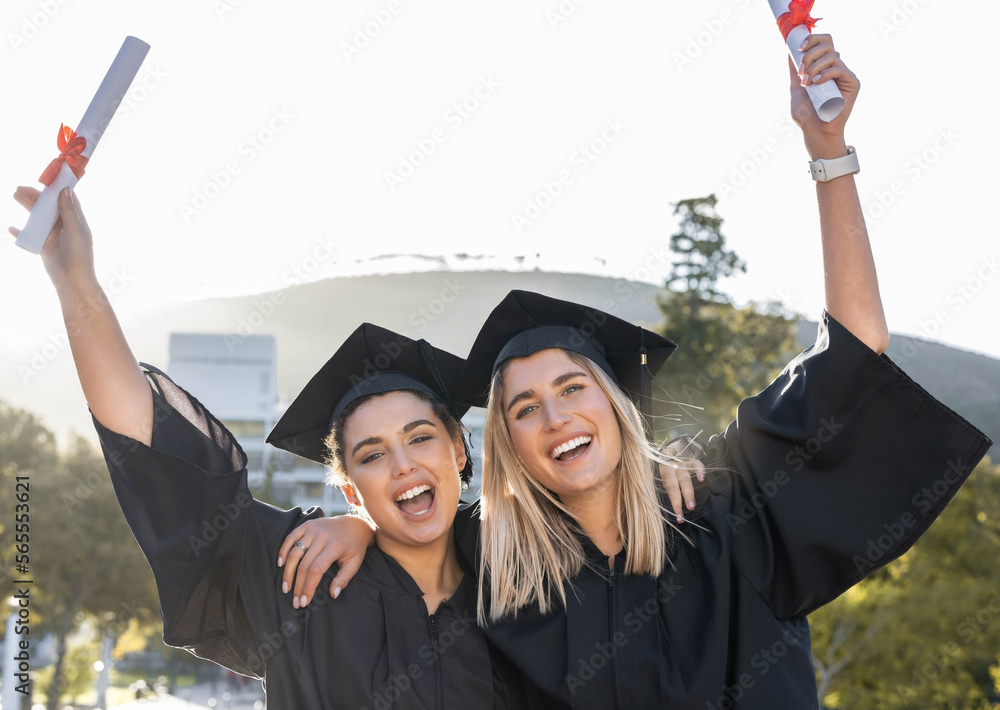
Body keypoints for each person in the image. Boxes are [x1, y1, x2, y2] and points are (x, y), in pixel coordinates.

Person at [274, 34, 993, 708]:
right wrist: (360, 527)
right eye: (522, 410)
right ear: (510, 449)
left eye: (571, 388)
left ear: (616, 406)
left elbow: (855, 348)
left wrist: (828, 151)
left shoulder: (725, 509)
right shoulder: (498, 563)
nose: (555, 418)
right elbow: (413, 523)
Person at [8, 183, 543, 708]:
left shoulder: (534, 587)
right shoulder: (299, 577)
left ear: (459, 452)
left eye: (420, 438)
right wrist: (77, 284)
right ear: (351, 492)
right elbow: (155, 445)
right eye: (372, 454)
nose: (402, 464)